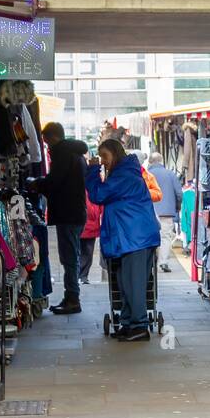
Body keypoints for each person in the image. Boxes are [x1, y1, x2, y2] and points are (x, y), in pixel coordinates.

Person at [86, 138, 161, 342]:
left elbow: (98, 194)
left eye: (104, 156)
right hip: (131, 238)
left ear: (115, 154)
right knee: (125, 282)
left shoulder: (123, 176)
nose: (102, 161)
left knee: (132, 283)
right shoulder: (125, 173)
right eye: (100, 157)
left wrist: (92, 171)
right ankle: (129, 322)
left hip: (135, 238)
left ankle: (138, 326)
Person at [28, 122, 88, 314]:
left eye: (46, 142)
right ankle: (71, 296)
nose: (46, 146)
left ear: (53, 138)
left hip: (68, 213)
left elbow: (55, 182)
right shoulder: (76, 154)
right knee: (71, 256)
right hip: (75, 211)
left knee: (69, 257)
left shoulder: (62, 154)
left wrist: (36, 183)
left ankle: (72, 298)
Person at [147, 152, 182, 272]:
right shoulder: (170, 174)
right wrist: (177, 207)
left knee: (149, 236)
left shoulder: (145, 175)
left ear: (150, 162)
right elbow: (179, 193)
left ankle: (151, 262)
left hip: (148, 212)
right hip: (166, 212)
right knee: (165, 237)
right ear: (161, 161)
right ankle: (163, 262)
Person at [78, 196, 103, 284]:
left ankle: (82, 275)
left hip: (90, 226)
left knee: (86, 252)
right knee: (85, 252)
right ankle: (81, 275)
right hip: (81, 224)